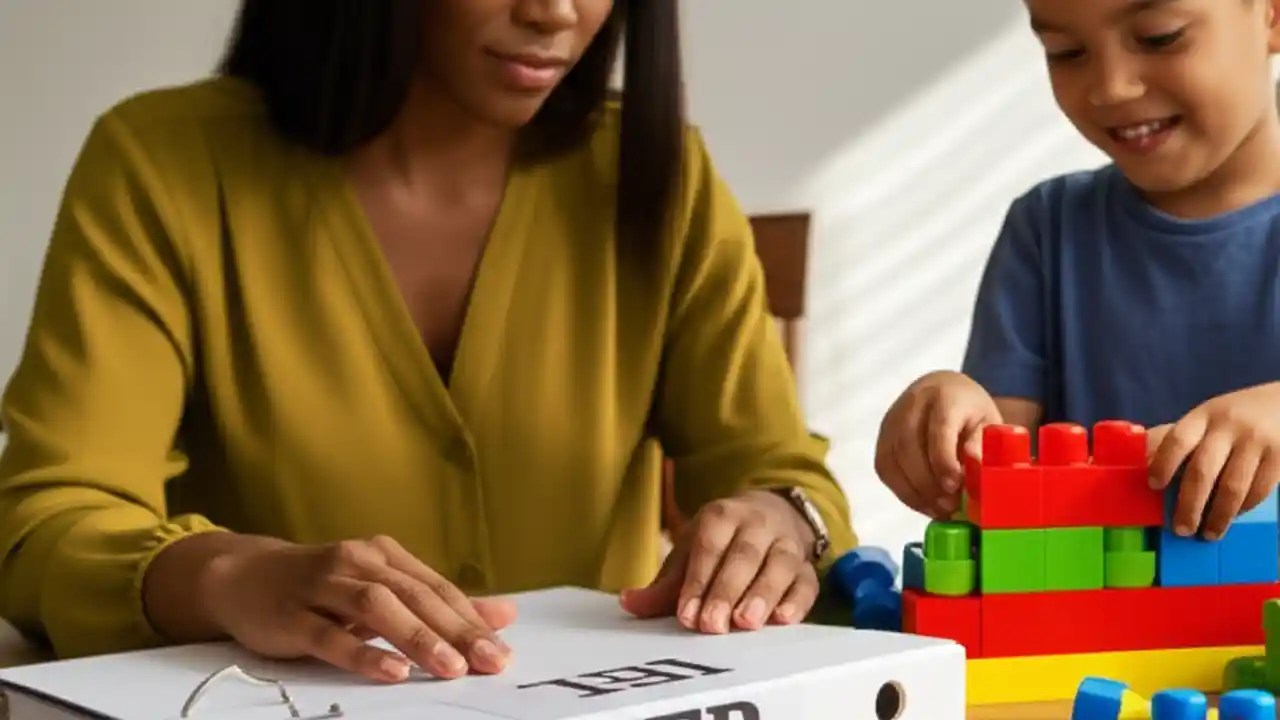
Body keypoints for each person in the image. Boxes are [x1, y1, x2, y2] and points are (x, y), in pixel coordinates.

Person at [0, 0, 857, 684]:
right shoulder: (163, 165)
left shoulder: (661, 173)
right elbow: (45, 523)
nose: (556, 12)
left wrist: (777, 520)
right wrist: (227, 576)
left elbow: (779, 470)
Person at [876, 0, 1280, 539]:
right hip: (1092, 616)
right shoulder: (1047, 228)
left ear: (1271, 16)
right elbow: (992, 471)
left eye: (1160, 37)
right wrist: (948, 420)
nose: (1111, 87)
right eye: (1066, 52)